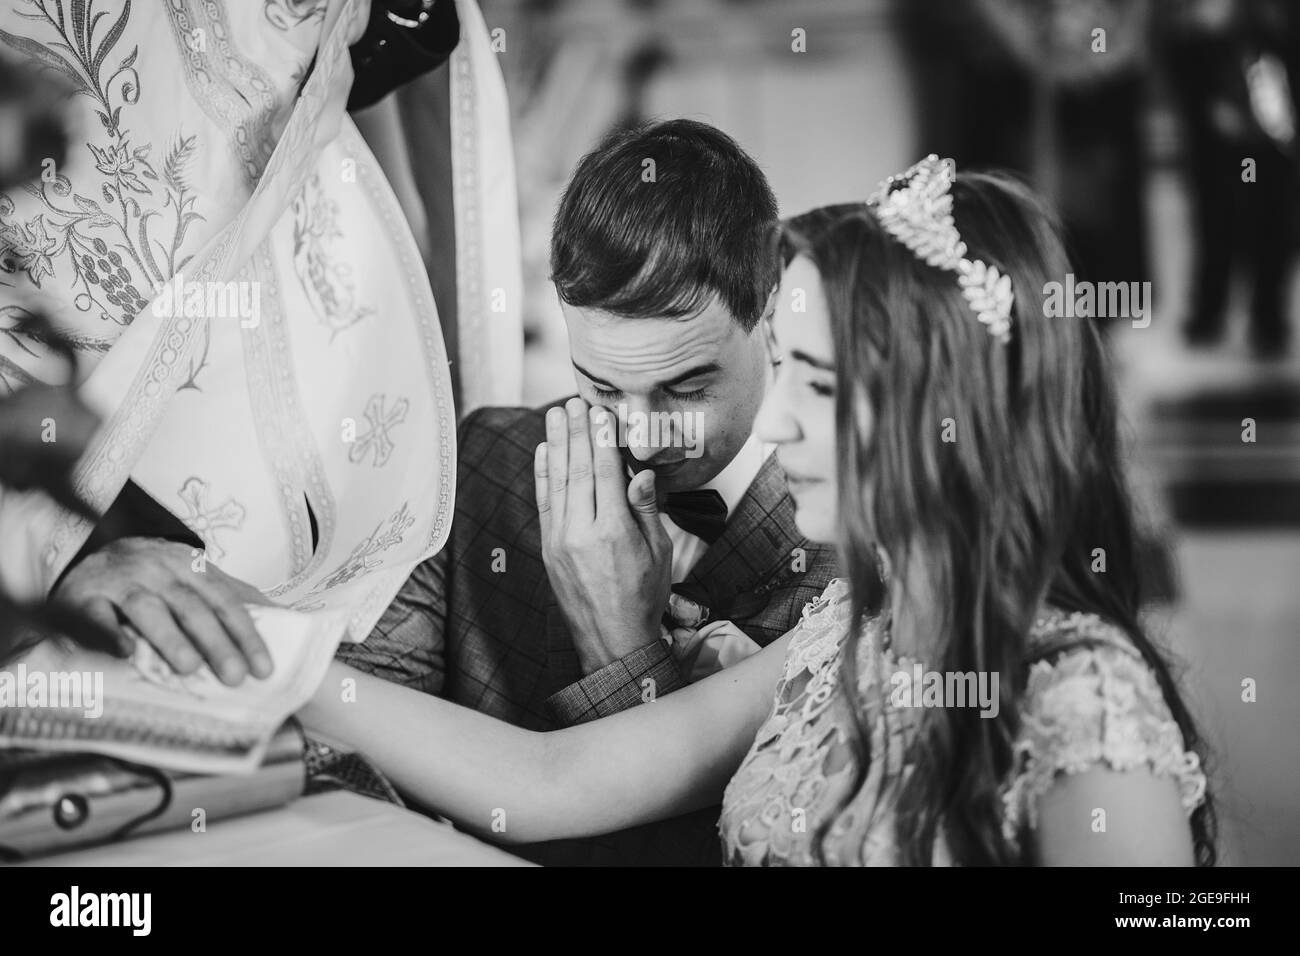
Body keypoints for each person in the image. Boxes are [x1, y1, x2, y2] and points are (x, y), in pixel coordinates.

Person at [299, 157, 1217, 866]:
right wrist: (276, 659)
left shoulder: (1085, 704)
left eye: (814, 383)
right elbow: (549, 781)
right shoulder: (845, 632)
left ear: (943, 412)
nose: (778, 420)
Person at [52, 119, 840, 865]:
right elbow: (352, 747)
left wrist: (619, 645)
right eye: (599, 386)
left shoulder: (858, 555)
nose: (638, 434)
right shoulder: (486, 462)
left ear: (770, 319)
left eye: (685, 387)